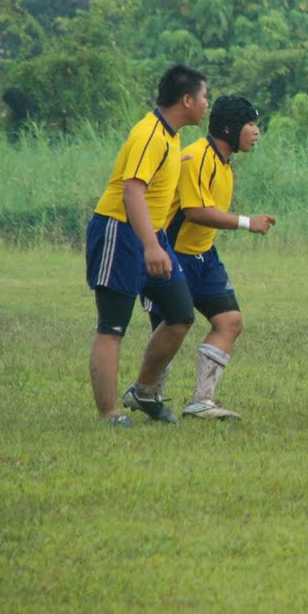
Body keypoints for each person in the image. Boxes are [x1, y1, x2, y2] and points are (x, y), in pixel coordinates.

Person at [86, 64, 208, 427]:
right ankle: (109, 414)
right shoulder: (150, 134)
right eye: (204, 97)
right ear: (186, 100)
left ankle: (143, 392)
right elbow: (131, 191)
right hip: (121, 233)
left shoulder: (171, 137)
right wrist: (151, 247)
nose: (206, 104)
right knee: (113, 326)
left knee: (181, 314)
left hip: (151, 235)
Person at [145, 96, 276, 420]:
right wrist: (248, 222)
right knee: (170, 331)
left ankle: (202, 400)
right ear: (230, 128)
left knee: (230, 322)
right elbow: (196, 211)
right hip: (173, 256)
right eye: (250, 124)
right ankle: (148, 396)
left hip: (204, 256)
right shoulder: (196, 157)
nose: (256, 132)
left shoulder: (222, 161)